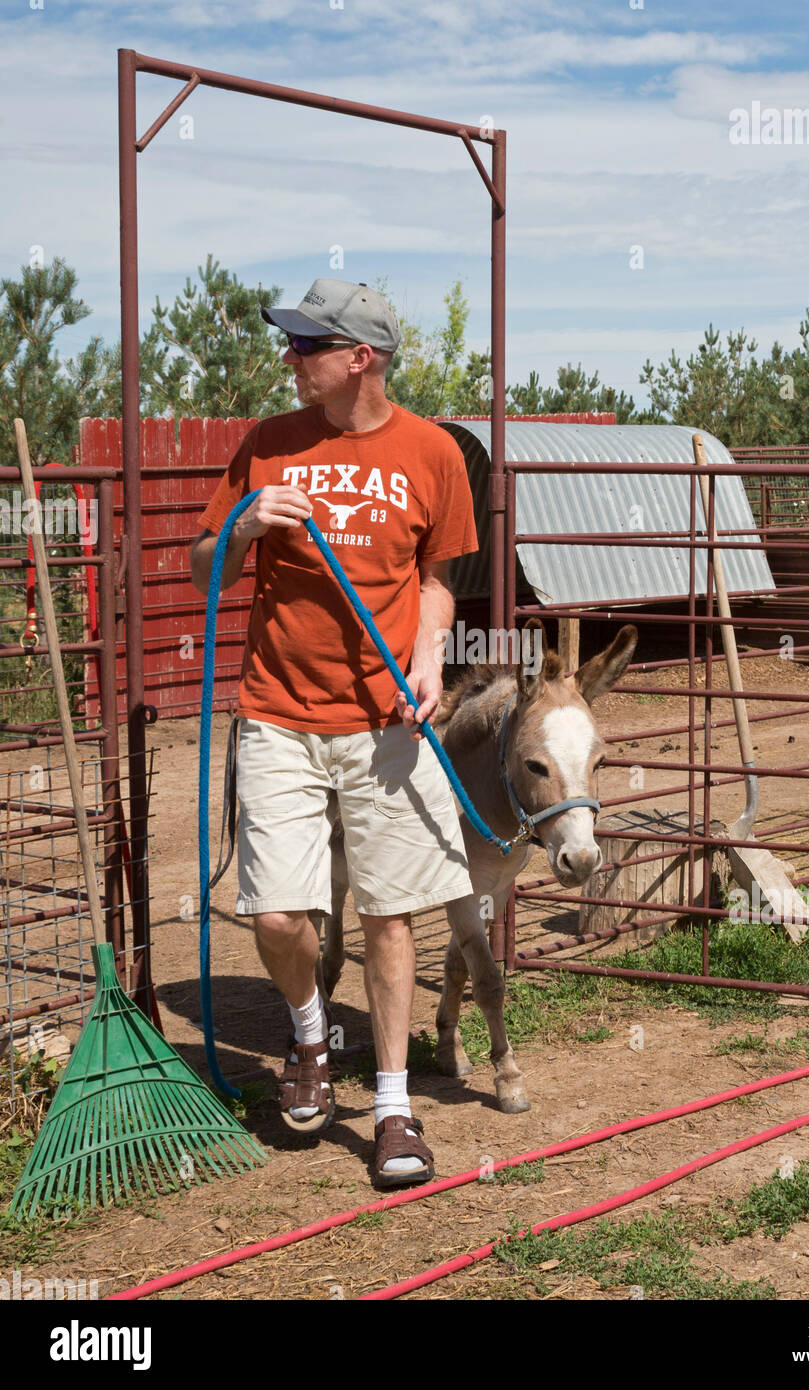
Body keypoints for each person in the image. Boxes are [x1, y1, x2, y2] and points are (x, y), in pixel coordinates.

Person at [190, 278, 478, 1186]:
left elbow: (439, 575)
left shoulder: (432, 452)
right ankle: (313, 1033)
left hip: (386, 720)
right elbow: (202, 563)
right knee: (275, 911)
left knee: (390, 916)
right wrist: (242, 524)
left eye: (308, 347)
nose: (290, 360)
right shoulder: (267, 445)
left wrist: (429, 654)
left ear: (362, 358)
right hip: (275, 712)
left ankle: (392, 1108)